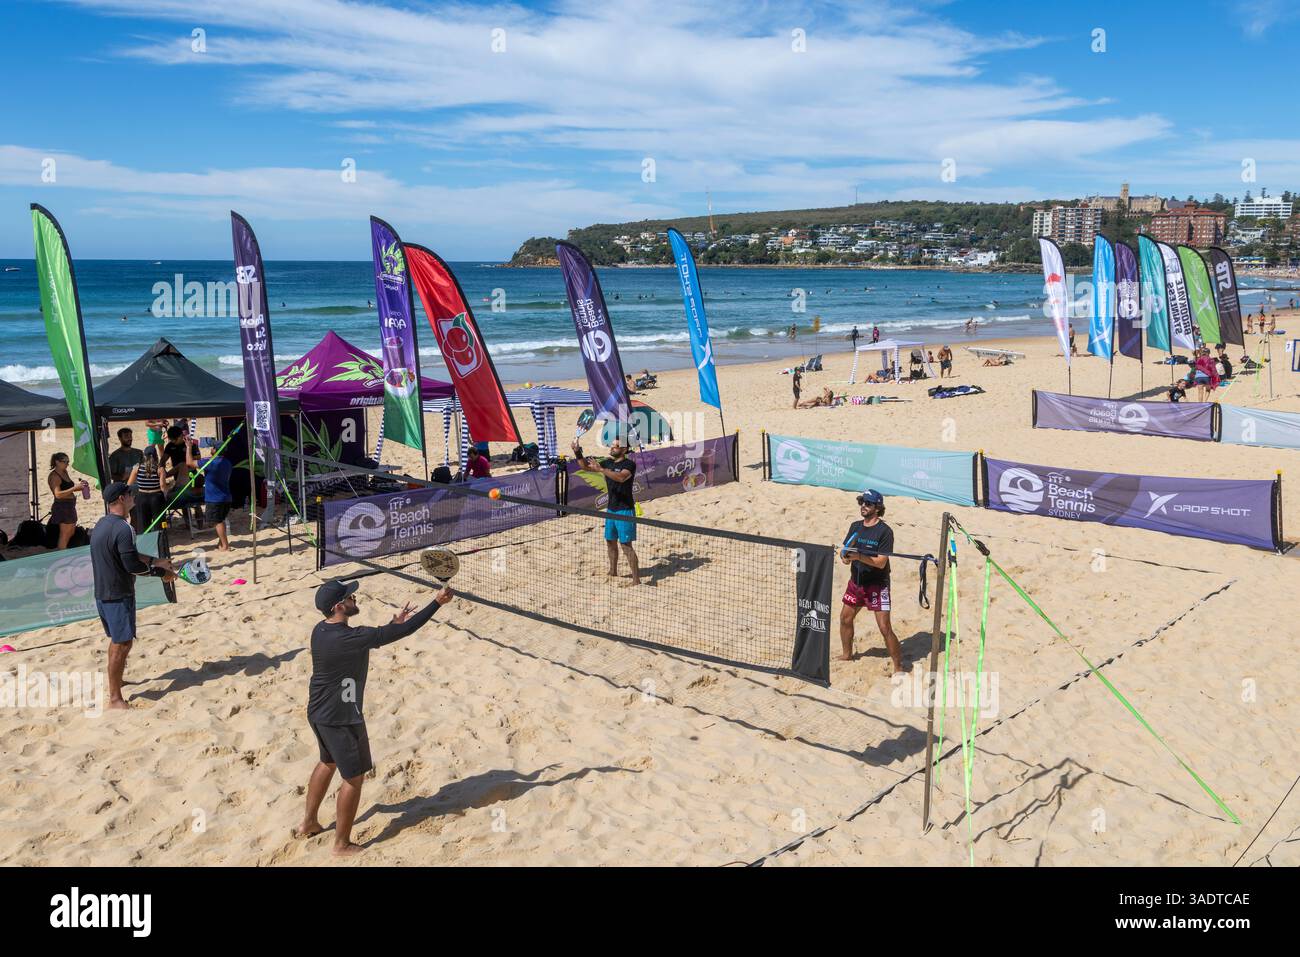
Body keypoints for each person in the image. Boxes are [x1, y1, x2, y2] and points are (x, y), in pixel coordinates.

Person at [294, 578, 453, 855]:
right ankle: (341, 844)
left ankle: (308, 823)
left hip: (318, 712)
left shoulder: (320, 631)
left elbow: (381, 634)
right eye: (350, 597)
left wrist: (393, 623)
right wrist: (437, 603)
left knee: (327, 761)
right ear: (338, 606)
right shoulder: (351, 638)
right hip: (342, 717)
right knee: (353, 778)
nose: (356, 598)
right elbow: (406, 631)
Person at [90, 482, 176, 709]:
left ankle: (116, 681)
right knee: (123, 644)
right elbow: (130, 565)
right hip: (118, 593)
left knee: (118, 642)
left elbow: (127, 554)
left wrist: (154, 560)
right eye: (130, 494)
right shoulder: (124, 528)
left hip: (102, 592)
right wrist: (161, 573)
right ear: (120, 499)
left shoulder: (101, 524)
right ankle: (115, 698)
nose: (134, 497)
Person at [838, 489, 904, 673]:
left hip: (877, 584)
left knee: (884, 628)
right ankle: (847, 654)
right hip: (856, 581)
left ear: (877, 507)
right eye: (861, 502)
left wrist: (859, 556)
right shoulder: (855, 526)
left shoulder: (885, 532)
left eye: (867, 503)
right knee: (845, 618)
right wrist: (846, 557)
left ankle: (899, 667)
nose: (863, 506)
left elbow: (881, 563)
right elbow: (845, 552)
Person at [573, 438, 640, 586]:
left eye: (616, 446)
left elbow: (621, 478)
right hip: (611, 509)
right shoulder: (608, 462)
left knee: (626, 545)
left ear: (624, 449)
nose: (612, 448)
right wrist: (577, 452)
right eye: (612, 445)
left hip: (625, 510)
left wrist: (602, 470)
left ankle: (636, 579)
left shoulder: (629, 464)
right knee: (610, 542)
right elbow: (585, 467)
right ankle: (613, 571)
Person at [47, 452, 86, 549]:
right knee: (64, 534)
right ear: (57, 462)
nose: (67, 464)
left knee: (70, 532)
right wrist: (74, 488)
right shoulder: (54, 476)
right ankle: (62, 555)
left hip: (69, 506)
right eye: (65, 462)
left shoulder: (64, 472)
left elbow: (68, 487)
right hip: (62, 507)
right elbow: (58, 494)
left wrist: (79, 486)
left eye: (68, 462)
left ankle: (63, 552)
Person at [127, 444, 169, 534]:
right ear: (155, 456)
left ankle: (145, 546)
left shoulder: (137, 468)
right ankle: (161, 546)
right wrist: (166, 495)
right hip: (156, 497)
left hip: (141, 497)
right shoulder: (159, 469)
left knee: (143, 526)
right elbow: (162, 486)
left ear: (144, 456)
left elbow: (129, 484)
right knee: (160, 525)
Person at [203, 445, 234, 551]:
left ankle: (225, 545)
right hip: (226, 497)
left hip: (215, 498)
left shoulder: (211, 463)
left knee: (217, 522)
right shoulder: (227, 462)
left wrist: (188, 447)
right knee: (220, 520)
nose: (210, 448)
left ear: (216, 450)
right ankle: (221, 543)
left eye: (212, 447)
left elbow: (189, 462)